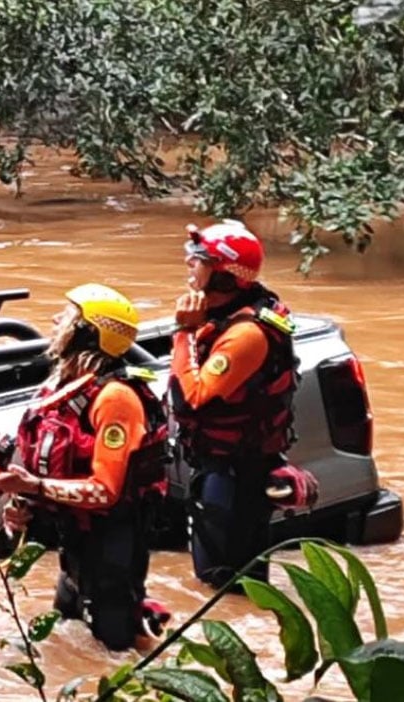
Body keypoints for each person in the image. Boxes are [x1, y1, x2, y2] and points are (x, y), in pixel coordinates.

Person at [0, 283, 172, 651]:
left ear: (87, 332)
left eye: (66, 316)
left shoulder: (116, 398)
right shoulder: (62, 387)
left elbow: (104, 490)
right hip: (76, 548)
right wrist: (23, 504)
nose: (55, 320)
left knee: (116, 650)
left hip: (111, 549)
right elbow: (47, 467)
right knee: (70, 643)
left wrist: (36, 488)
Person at [168, 219, 314, 592]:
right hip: (221, 468)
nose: (189, 264)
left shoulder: (246, 333)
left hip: (234, 475)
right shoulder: (228, 316)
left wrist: (183, 333)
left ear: (224, 276)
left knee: (224, 584)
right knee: (221, 578)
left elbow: (190, 402)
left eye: (199, 259)